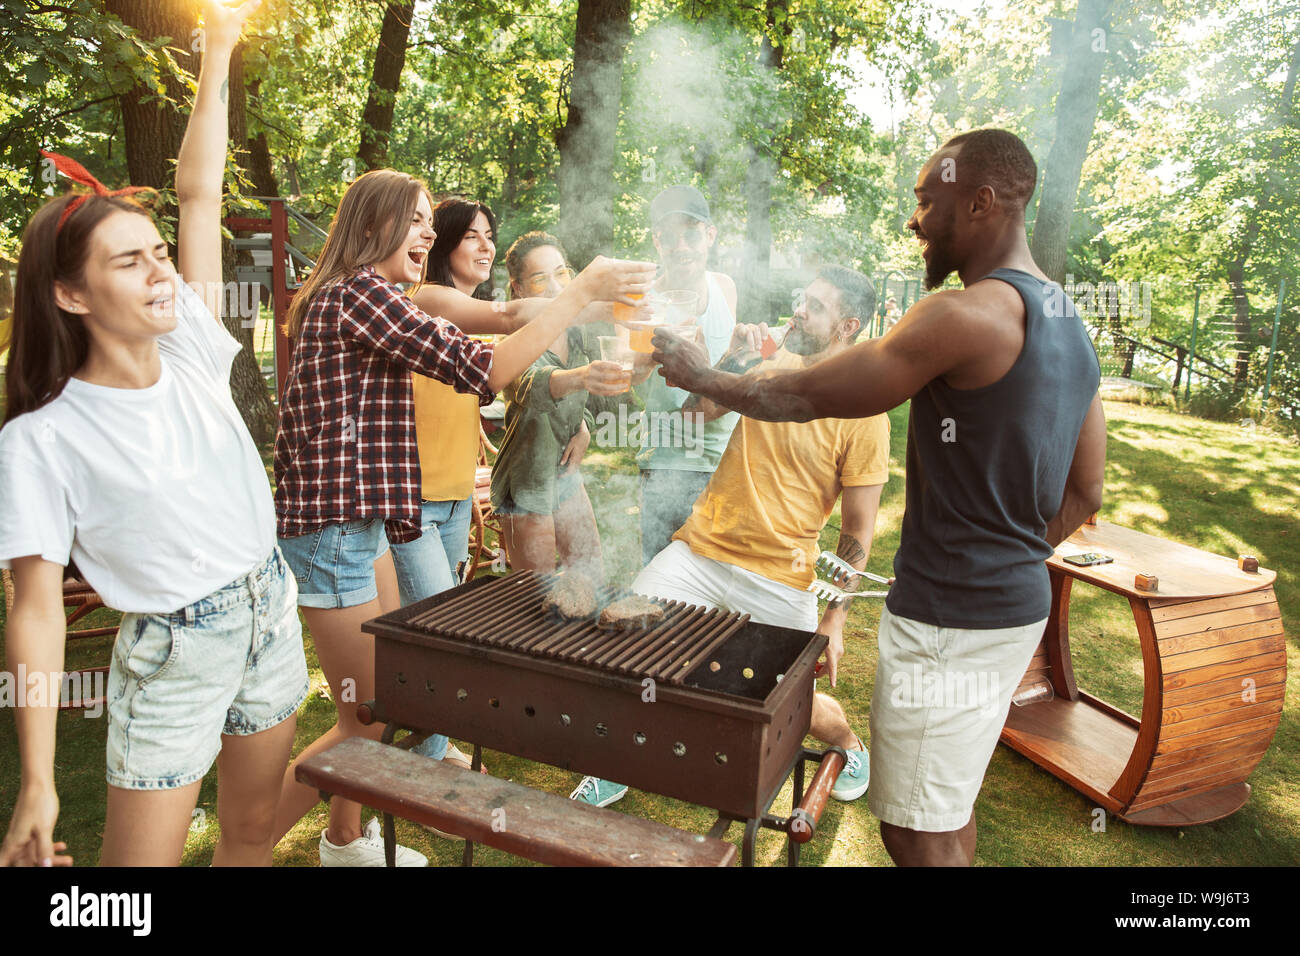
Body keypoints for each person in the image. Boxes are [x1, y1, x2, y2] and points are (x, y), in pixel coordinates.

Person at [652, 128, 1106, 866]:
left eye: (928, 201)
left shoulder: (959, 315)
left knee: (914, 831)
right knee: (946, 808)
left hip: (948, 620)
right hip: (1015, 610)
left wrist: (704, 378)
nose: (914, 220)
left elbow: (804, 395)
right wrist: (1008, 560)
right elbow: (1087, 491)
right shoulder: (1067, 320)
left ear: (982, 202)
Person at [270, 174, 653, 865]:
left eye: (427, 222)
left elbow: (505, 328)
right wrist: (579, 293)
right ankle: (249, 841)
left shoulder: (370, 298)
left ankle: (344, 838)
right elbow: (488, 369)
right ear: (369, 228)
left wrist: (589, 302)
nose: (426, 234)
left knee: (384, 701)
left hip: (364, 527)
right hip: (333, 536)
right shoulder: (357, 296)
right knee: (369, 713)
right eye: (414, 221)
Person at [0, 0, 304, 867]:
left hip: (269, 610)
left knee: (250, 835)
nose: (160, 269)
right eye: (128, 261)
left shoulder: (198, 343)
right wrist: (37, 780)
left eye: (159, 254)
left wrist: (218, 48)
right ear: (69, 294)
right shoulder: (42, 440)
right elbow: (33, 611)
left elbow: (197, 192)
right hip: (175, 646)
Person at [570, 267, 886, 809]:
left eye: (813, 305)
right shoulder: (771, 363)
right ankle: (618, 759)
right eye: (800, 298)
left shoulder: (864, 411)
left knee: (783, 701)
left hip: (782, 575)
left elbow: (858, 530)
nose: (797, 311)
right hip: (702, 551)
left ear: (847, 326)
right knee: (625, 643)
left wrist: (835, 616)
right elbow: (698, 413)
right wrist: (737, 357)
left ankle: (848, 743)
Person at [491, 231, 629, 577]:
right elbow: (530, 387)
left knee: (590, 575)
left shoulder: (577, 330)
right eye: (539, 278)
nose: (554, 286)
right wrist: (581, 376)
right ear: (518, 289)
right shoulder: (515, 338)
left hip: (565, 473)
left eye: (561, 273)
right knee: (534, 596)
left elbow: (585, 400)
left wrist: (584, 426)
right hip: (526, 481)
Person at [633, 185, 739, 566]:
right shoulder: (643, 301)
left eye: (691, 233)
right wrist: (645, 357)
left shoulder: (724, 287)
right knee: (662, 575)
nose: (682, 245)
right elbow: (626, 378)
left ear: (710, 235)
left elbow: (730, 364)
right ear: (657, 241)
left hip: (729, 458)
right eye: (669, 235)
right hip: (670, 462)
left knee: (721, 578)